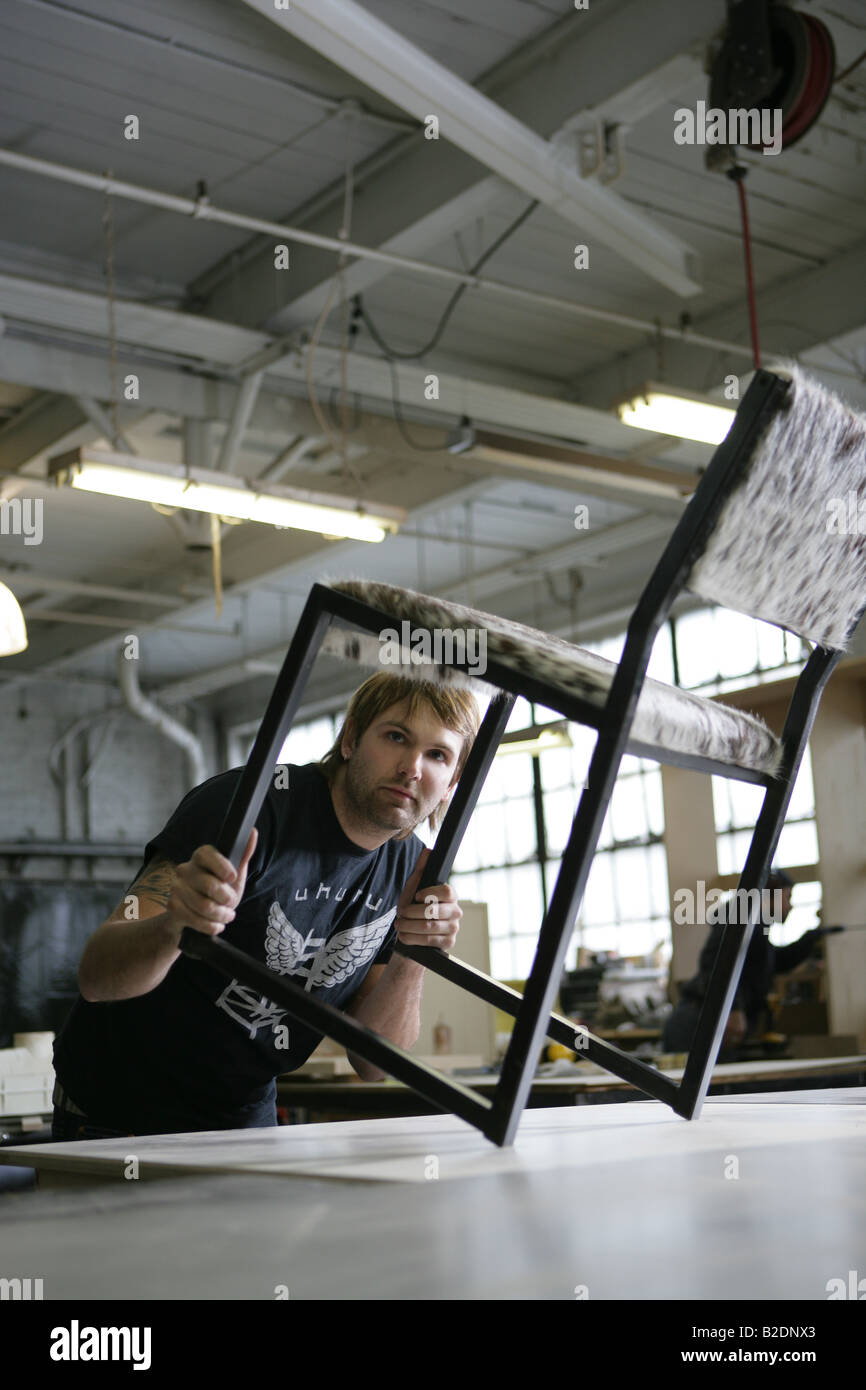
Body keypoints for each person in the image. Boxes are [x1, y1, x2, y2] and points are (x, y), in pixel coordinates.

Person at [51, 672, 481, 1139]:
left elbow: (374, 1062)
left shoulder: (411, 869)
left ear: (453, 778)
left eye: (437, 754)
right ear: (352, 738)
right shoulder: (250, 807)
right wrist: (175, 923)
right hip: (116, 1113)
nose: (412, 768)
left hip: (241, 1120)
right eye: (396, 736)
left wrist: (412, 953)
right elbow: (97, 978)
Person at [662, 869, 841, 1057]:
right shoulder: (740, 917)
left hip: (705, 1022)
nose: (790, 906)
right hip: (696, 1024)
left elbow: (773, 963)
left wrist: (811, 938)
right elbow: (717, 962)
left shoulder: (756, 926)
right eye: (788, 898)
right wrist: (733, 1008)